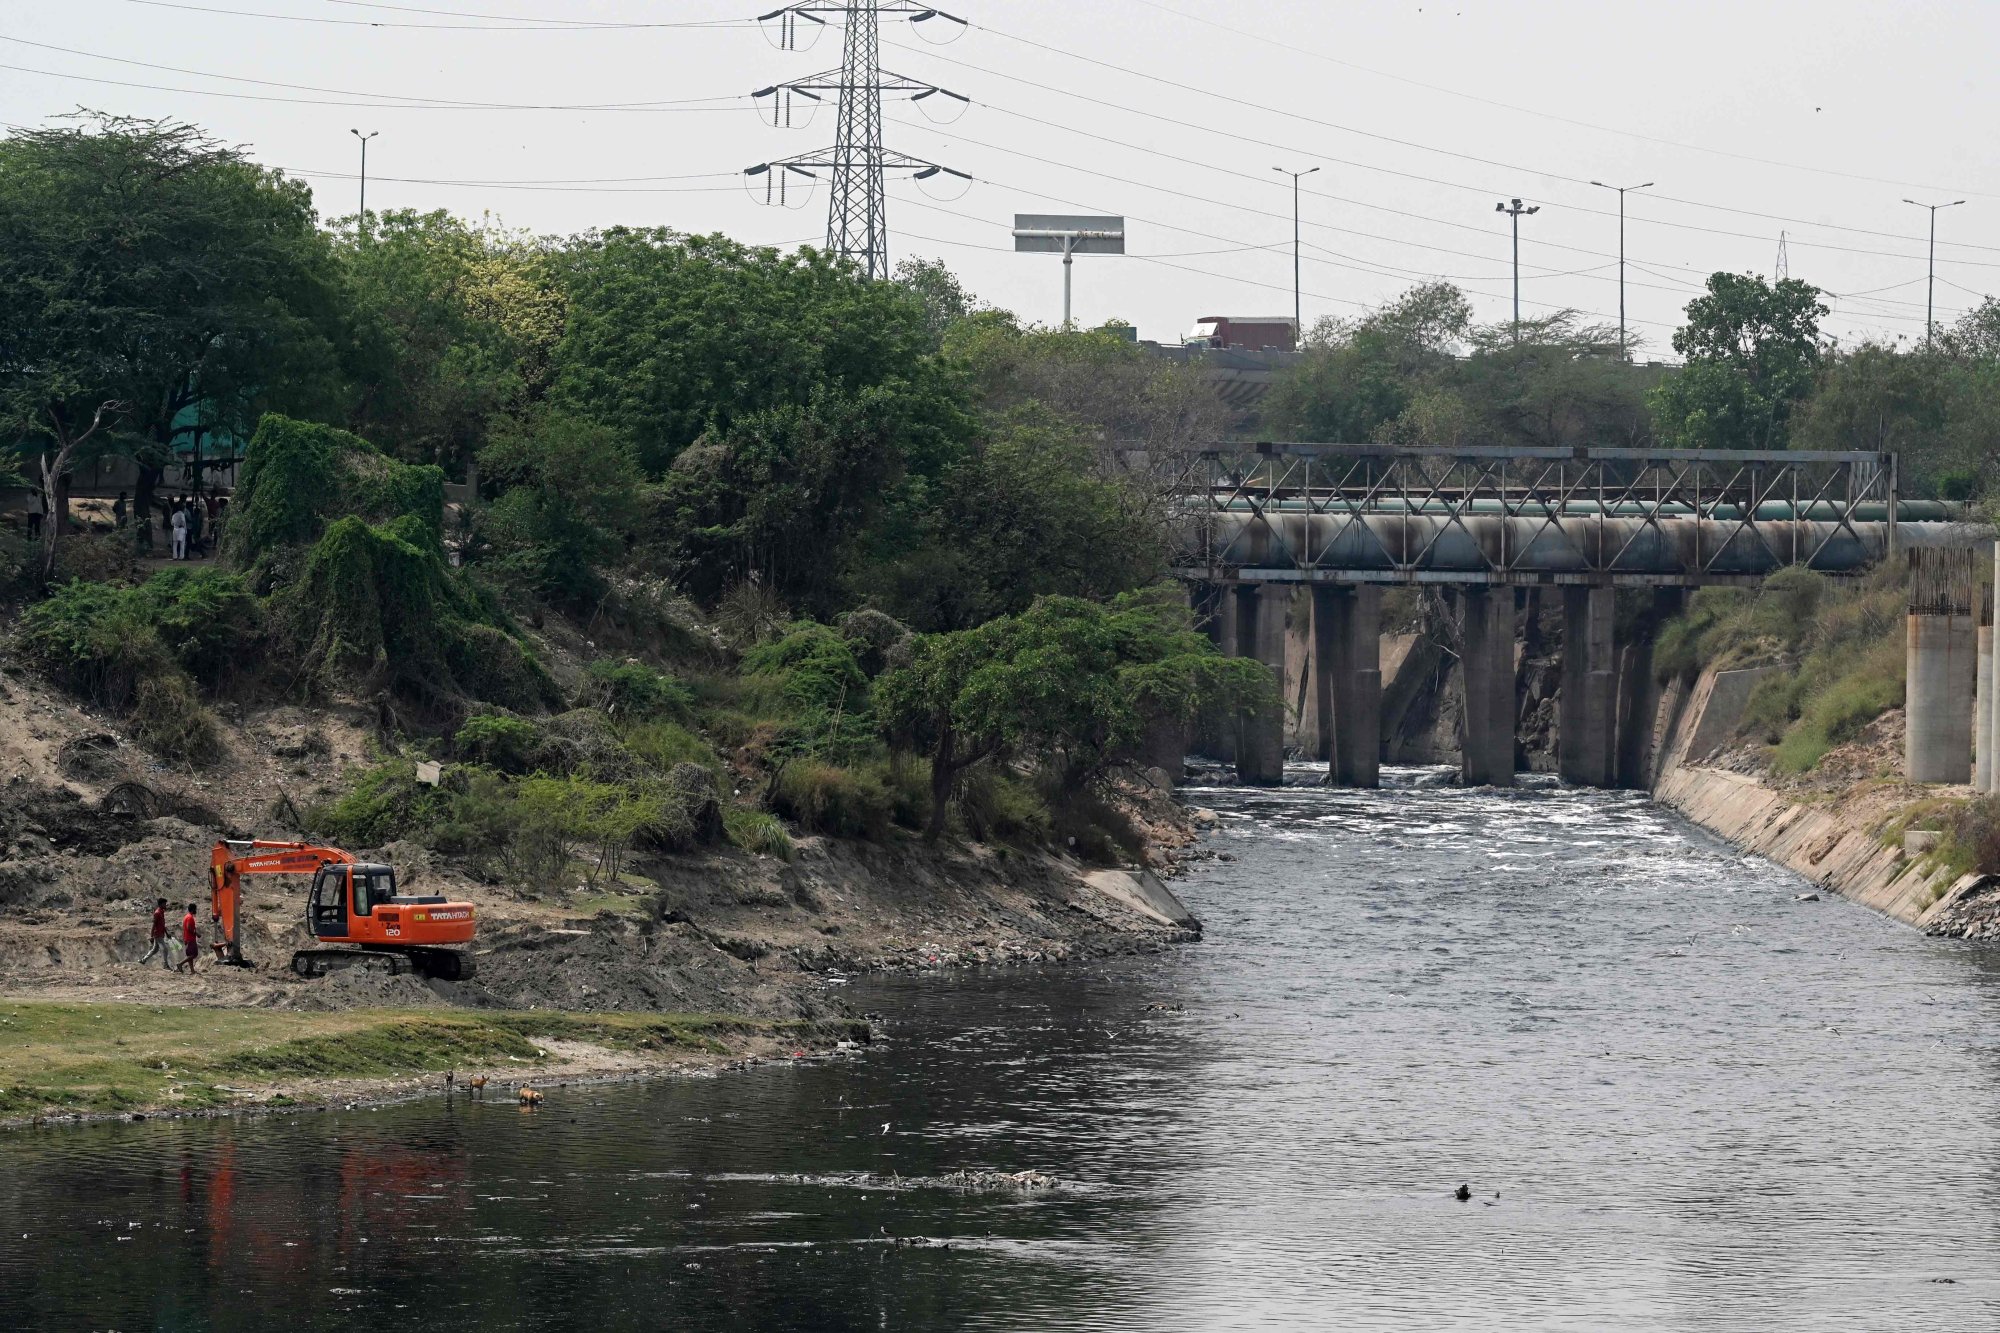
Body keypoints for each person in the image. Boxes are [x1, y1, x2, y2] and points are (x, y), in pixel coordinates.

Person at [137, 897, 173, 969]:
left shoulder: (161, 912)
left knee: (155, 950)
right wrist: (151, 936)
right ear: (161, 904)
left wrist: (166, 933)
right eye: (164, 904)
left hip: (161, 933)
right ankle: (165, 965)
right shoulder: (157, 913)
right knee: (165, 949)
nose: (166, 905)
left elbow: (162, 924)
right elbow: (154, 925)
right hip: (157, 934)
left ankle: (143, 960)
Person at [176, 901, 199, 973]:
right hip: (191, 938)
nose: (196, 911)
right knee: (194, 954)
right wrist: (196, 933)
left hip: (187, 938)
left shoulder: (186, 917)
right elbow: (189, 927)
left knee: (190, 955)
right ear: (193, 909)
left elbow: (185, 928)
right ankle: (180, 964)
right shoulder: (190, 917)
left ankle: (192, 970)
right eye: (195, 909)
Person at [185, 494, 205, 558]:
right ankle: (202, 553)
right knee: (194, 543)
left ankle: (202, 553)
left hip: (193, 532)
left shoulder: (195, 518)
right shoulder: (195, 518)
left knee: (193, 543)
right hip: (194, 532)